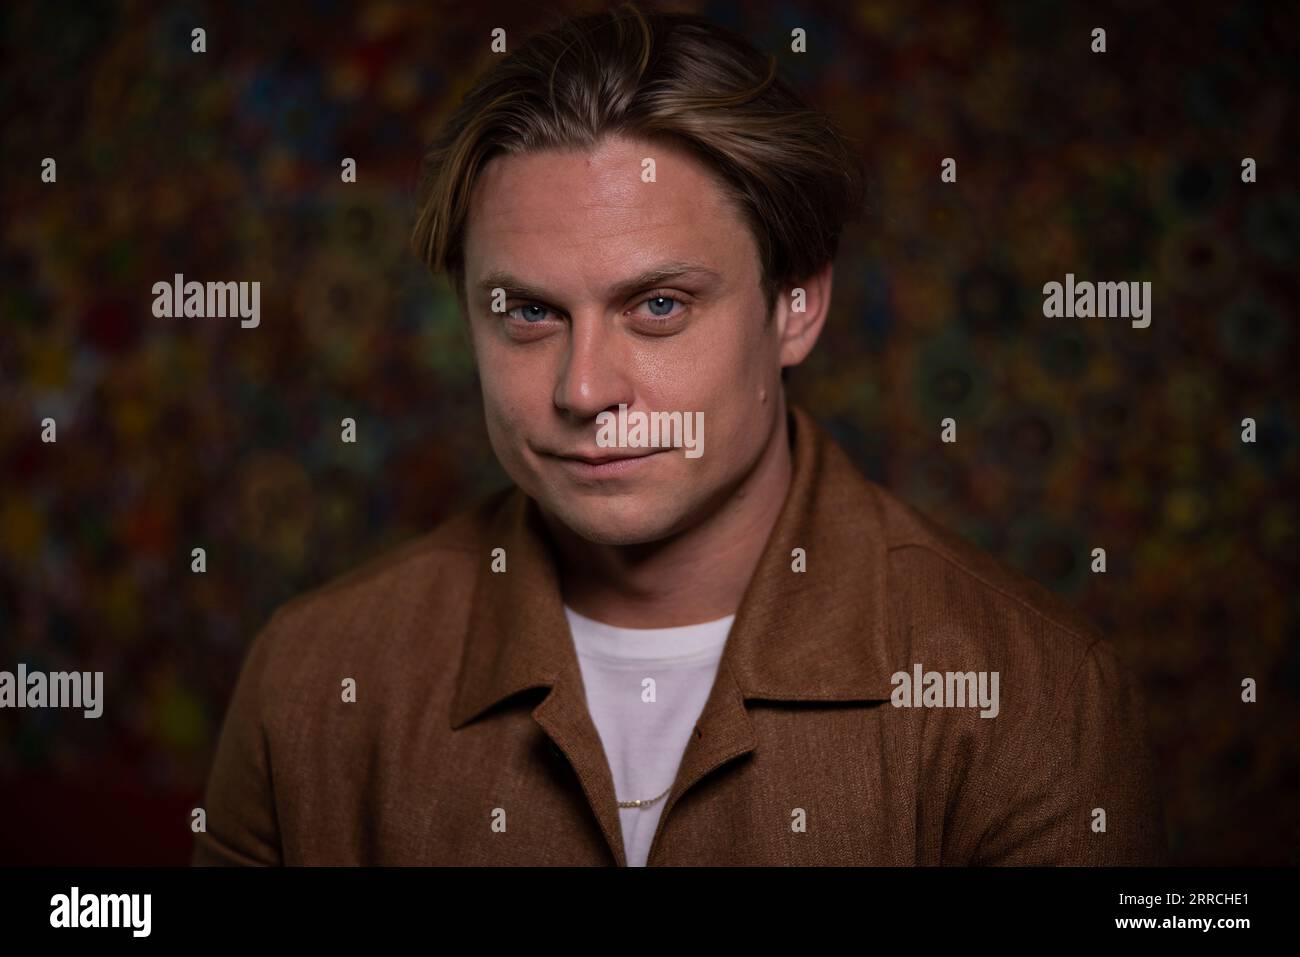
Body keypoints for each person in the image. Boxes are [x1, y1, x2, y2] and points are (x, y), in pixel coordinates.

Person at [194, 2, 1165, 866]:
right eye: (528, 313)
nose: (583, 388)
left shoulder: (1025, 696)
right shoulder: (315, 676)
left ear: (796, 304)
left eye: (657, 304)